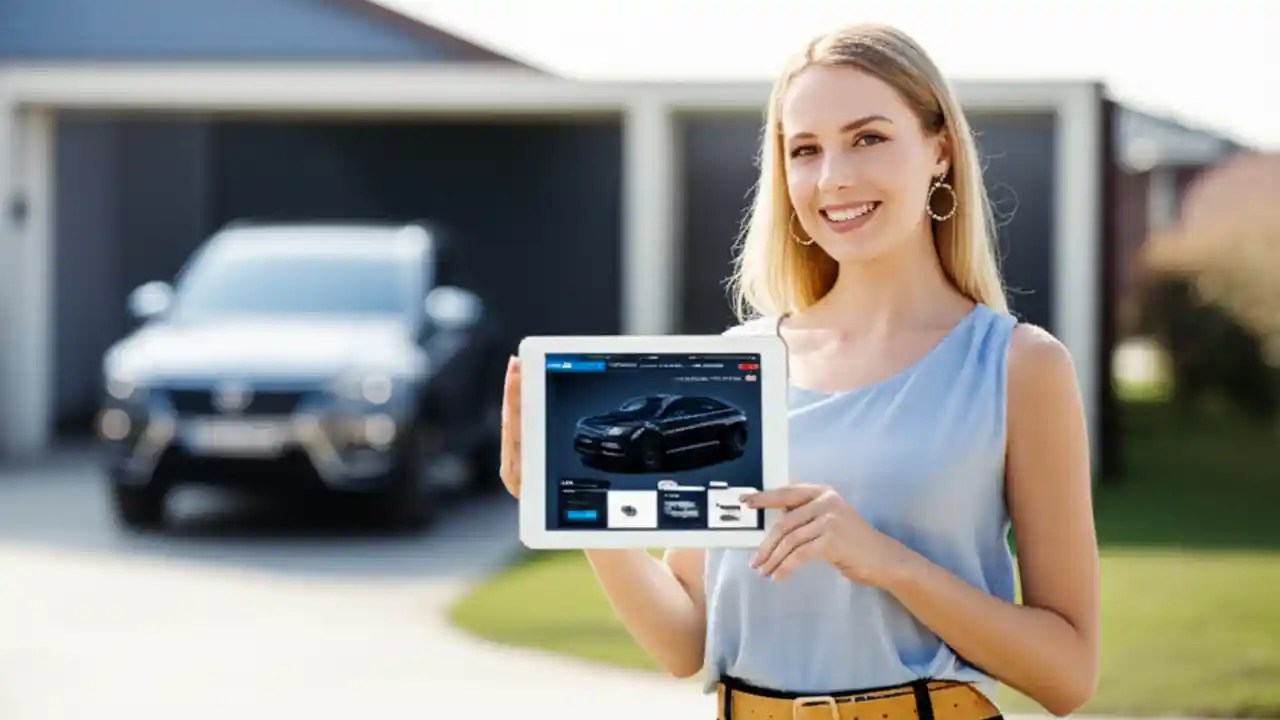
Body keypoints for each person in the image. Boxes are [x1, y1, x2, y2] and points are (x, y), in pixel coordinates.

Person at [499, 22, 1099, 720]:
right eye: (804, 150)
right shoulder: (740, 364)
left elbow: (1068, 673)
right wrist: (581, 512)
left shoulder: (1018, 365)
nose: (833, 177)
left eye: (867, 137)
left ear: (939, 151)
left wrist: (885, 561)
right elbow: (683, 639)